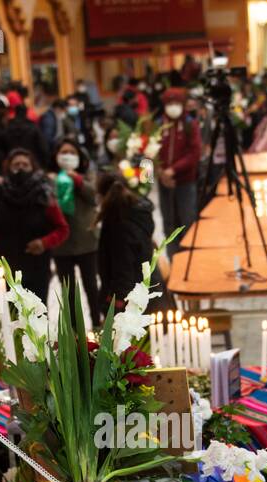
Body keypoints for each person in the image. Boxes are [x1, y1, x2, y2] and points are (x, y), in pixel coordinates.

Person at [0, 148, 69, 304]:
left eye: (25, 165)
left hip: (37, 264)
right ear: (8, 168)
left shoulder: (44, 193)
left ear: (32, 168)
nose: (20, 168)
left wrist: (44, 243)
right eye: (16, 164)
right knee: (14, 315)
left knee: (38, 314)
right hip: (8, 263)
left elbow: (62, 229)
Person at [48, 140, 100, 322]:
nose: (67, 155)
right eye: (64, 152)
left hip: (87, 241)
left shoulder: (87, 176)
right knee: (68, 291)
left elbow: (94, 197)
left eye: (72, 152)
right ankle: (74, 332)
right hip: (62, 245)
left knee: (91, 286)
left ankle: (98, 323)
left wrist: (76, 180)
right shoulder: (50, 178)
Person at [95, 171, 155, 319]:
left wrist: (116, 303)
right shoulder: (138, 212)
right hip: (144, 290)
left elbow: (123, 267)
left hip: (129, 301)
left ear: (102, 196)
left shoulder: (117, 224)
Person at [156, 88, 202, 258]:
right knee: (169, 224)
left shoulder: (190, 125)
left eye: (176, 104)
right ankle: (174, 260)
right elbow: (149, 152)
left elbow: (194, 154)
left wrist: (173, 170)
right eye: (170, 104)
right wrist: (158, 173)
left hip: (185, 182)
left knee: (187, 222)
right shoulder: (158, 125)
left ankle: (190, 260)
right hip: (163, 183)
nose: (173, 107)